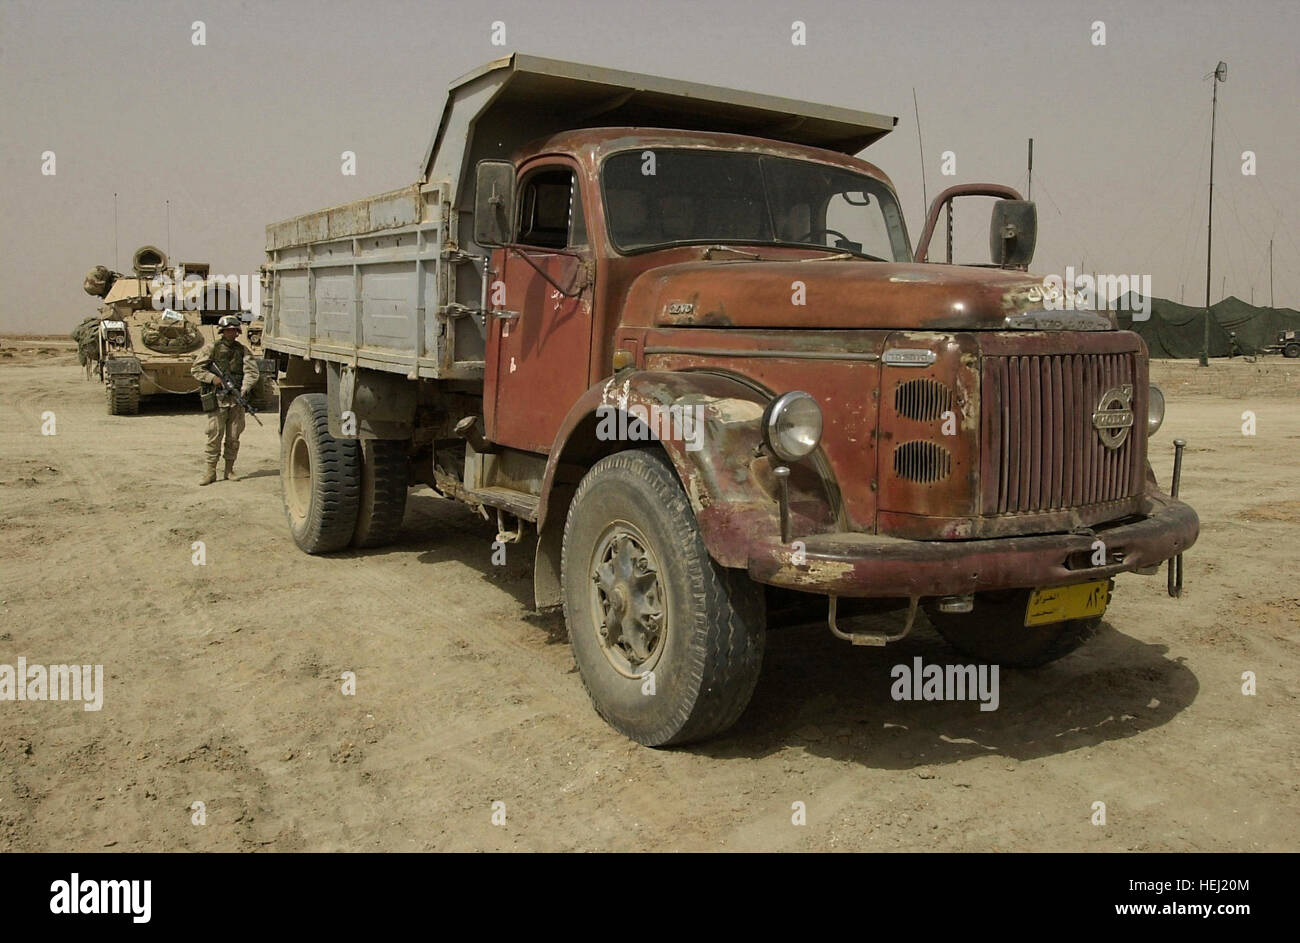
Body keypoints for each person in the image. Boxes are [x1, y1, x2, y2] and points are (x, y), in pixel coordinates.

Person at [191, 315, 260, 485]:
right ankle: (210, 472)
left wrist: (243, 389)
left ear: (237, 332)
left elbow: (252, 372)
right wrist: (213, 379)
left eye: (233, 331)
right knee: (214, 435)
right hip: (217, 399)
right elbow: (196, 369)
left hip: (236, 401)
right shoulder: (211, 348)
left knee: (233, 437)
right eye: (228, 330)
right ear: (222, 331)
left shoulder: (243, 350)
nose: (231, 333)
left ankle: (229, 470)